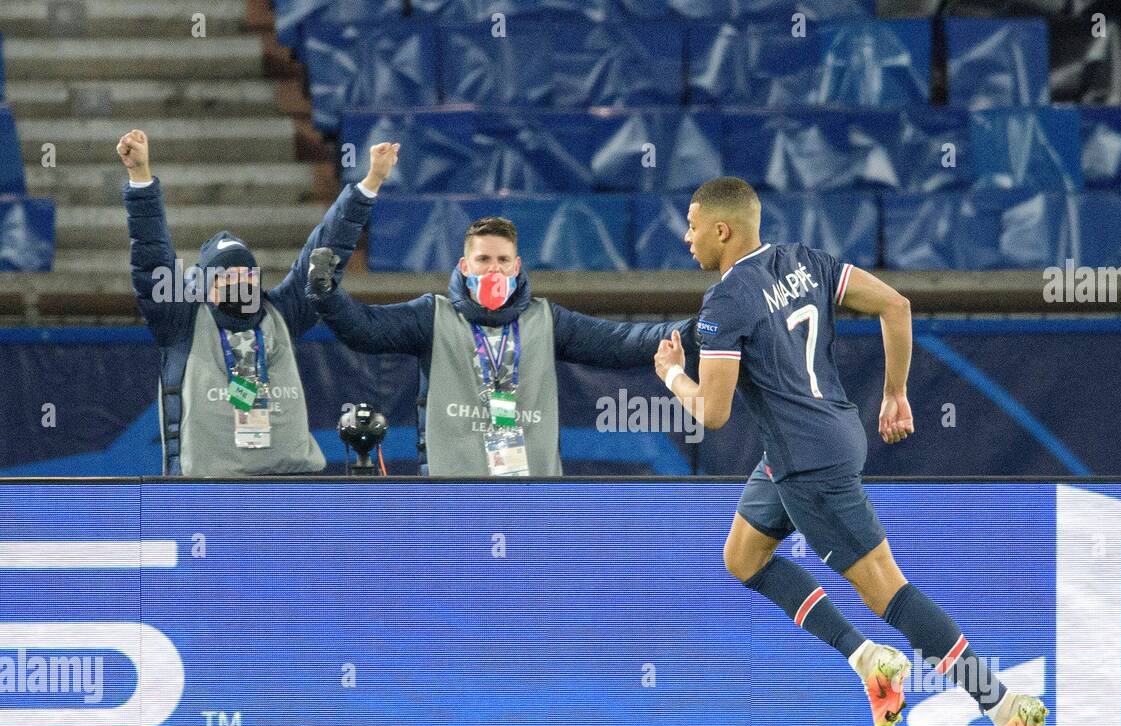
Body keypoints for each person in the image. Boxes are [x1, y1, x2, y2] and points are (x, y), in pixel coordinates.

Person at [653, 176, 1048, 726]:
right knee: (743, 555)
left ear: (722, 230)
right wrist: (895, 395)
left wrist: (674, 377)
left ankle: (1001, 705)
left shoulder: (726, 301)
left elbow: (713, 411)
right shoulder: (806, 262)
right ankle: (868, 659)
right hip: (816, 440)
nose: (686, 238)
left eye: (692, 224)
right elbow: (897, 304)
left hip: (807, 461)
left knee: (887, 591)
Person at [306, 216, 697, 476]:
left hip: (535, 497)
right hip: (450, 497)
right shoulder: (432, 316)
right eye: (483, 259)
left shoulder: (547, 320)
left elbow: (619, 341)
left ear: (517, 266)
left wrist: (700, 330)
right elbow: (364, 329)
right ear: (464, 266)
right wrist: (327, 294)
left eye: (502, 260)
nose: (493, 270)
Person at [118, 128, 399, 475]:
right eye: (229, 277)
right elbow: (152, 258)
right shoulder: (182, 323)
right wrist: (140, 177)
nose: (242, 283)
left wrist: (370, 181)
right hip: (206, 493)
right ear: (205, 287)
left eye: (248, 275)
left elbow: (326, 251)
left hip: (291, 490)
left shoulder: (280, 313)